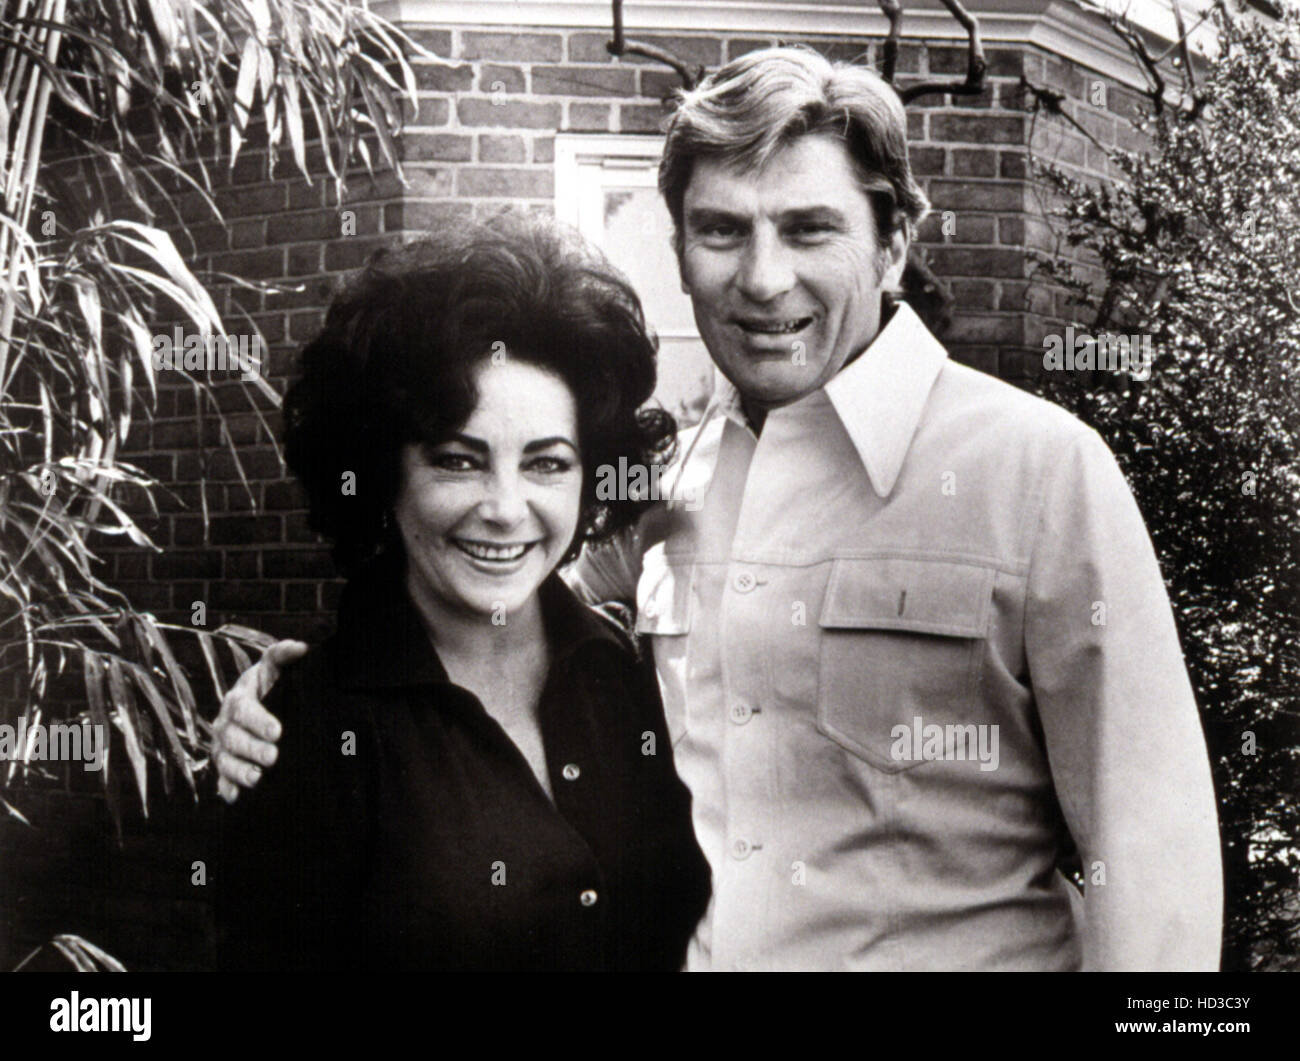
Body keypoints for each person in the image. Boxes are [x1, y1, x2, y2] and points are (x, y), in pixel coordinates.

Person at [215, 46, 1223, 971]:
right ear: (680, 246)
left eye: (808, 227)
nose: (761, 277)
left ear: (893, 241)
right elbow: (496, 583)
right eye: (721, 230)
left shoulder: (1039, 473)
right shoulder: (670, 485)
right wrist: (297, 691)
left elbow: (1152, 854)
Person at [213, 221, 711, 971]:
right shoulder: (303, 730)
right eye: (458, 459)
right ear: (384, 470)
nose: (505, 507)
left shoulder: (629, 679)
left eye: (546, 464)